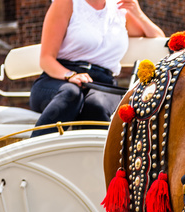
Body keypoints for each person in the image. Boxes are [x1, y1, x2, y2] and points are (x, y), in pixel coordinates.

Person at [30, 0, 163, 136]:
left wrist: (138, 13)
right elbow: (46, 59)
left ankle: (96, 156)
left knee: (96, 105)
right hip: (60, 79)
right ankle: (33, 152)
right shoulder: (67, 3)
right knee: (71, 94)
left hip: (103, 84)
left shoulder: (120, 9)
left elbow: (159, 39)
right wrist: (71, 75)